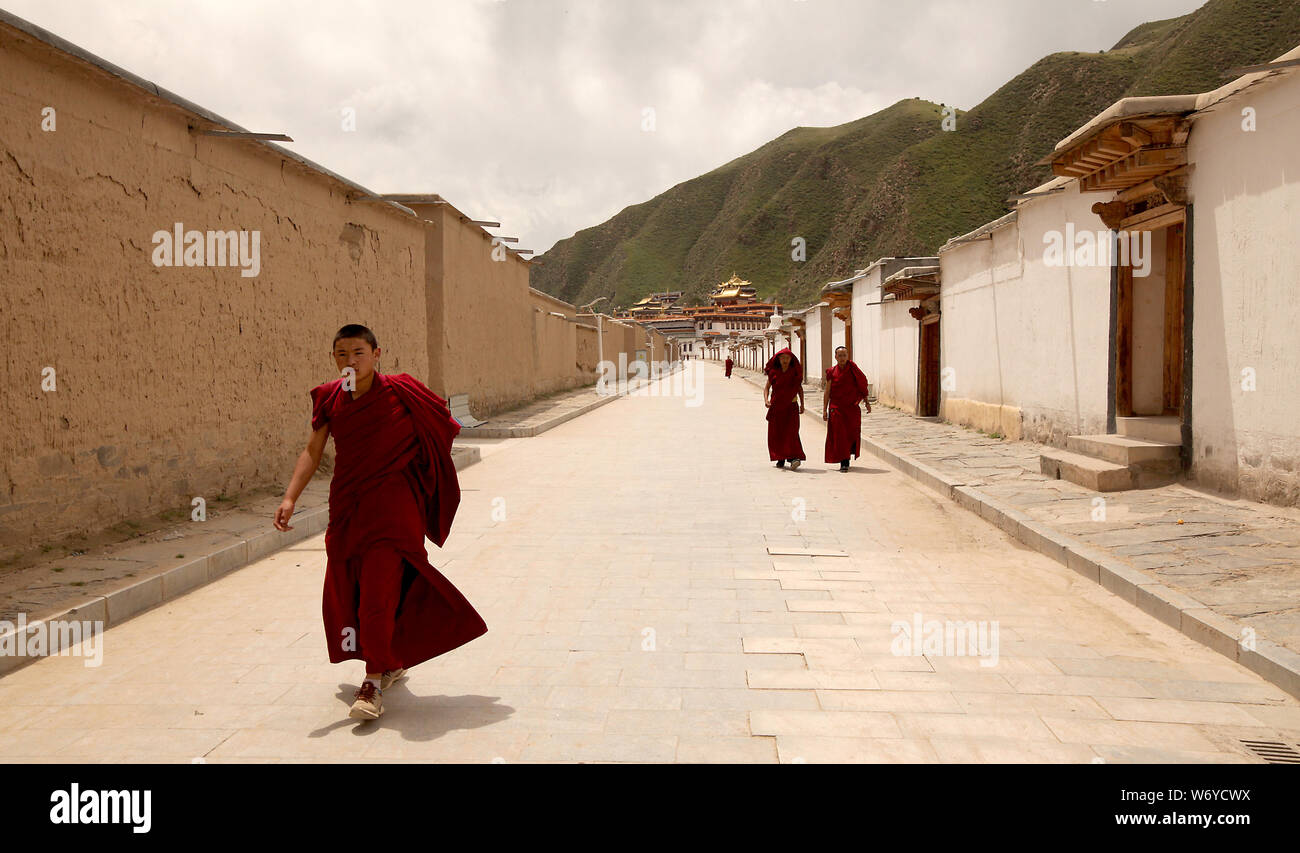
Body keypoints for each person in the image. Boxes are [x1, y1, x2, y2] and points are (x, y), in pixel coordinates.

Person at [274, 324, 487, 721]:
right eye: (341, 354)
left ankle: (371, 682)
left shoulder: (402, 392)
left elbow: (439, 432)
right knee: (350, 586)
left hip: (393, 511)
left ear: (376, 354)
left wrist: (420, 481)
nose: (350, 361)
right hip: (349, 507)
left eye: (358, 353)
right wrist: (290, 497)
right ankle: (388, 659)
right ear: (333, 359)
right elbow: (312, 450)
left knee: (377, 590)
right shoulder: (329, 399)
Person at [823, 345, 872, 472]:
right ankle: (843, 462)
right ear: (835, 357)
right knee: (839, 435)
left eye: (844, 355)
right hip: (836, 407)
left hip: (851, 408)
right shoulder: (831, 372)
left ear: (847, 356)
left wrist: (866, 402)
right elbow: (827, 392)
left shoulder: (853, 370)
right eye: (840, 355)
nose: (842, 358)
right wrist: (824, 409)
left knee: (850, 433)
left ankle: (847, 456)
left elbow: (862, 386)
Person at [763, 347, 805, 469]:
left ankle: (793, 457)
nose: (785, 360)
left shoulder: (794, 372)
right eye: (783, 358)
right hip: (776, 407)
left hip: (791, 406)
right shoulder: (774, 372)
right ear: (779, 359)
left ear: (791, 359)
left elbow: (799, 388)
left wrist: (802, 404)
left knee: (792, 432)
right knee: (777, 433)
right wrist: (766, 400)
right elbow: (766, 388)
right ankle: (780, 457)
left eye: (787, 358)